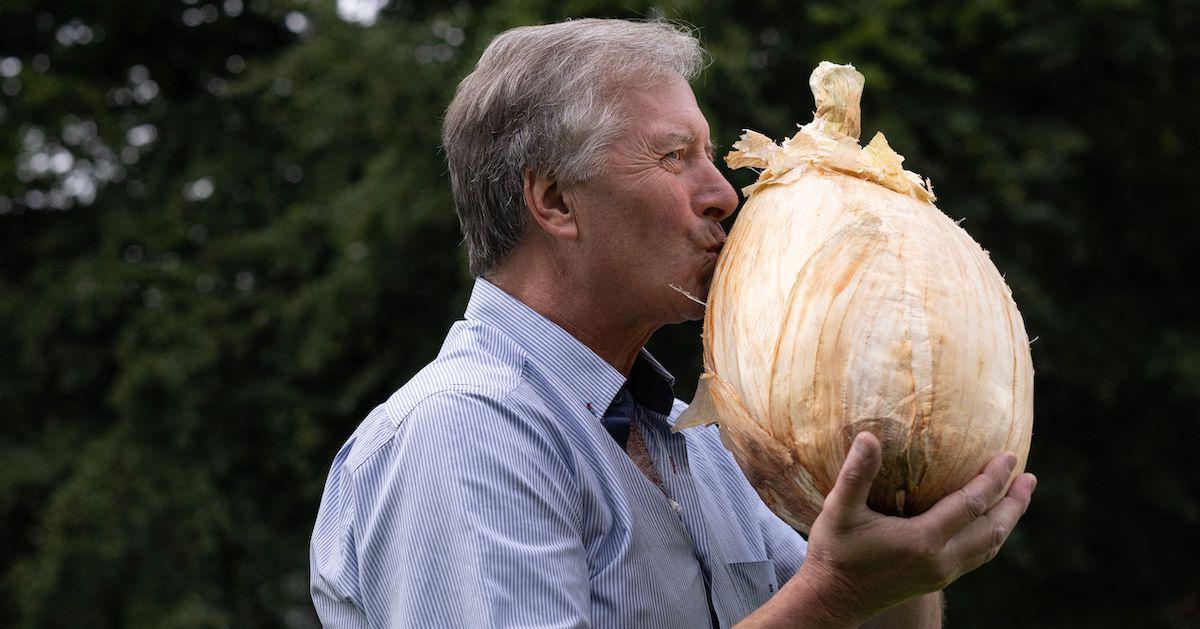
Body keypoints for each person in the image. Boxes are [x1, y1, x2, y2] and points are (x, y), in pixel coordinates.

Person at [309, 18, 1037, 628]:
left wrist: (902, 537)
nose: (724, 192)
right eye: (674, 156)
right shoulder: (463, 432)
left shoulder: (701, 441)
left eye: (710, 156)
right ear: (556, 201)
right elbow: (829, 600)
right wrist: (836, 590)